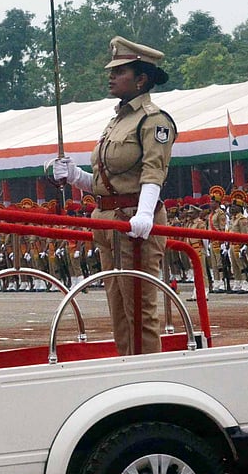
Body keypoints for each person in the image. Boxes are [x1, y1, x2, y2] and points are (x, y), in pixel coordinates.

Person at [51, 36, 176, 355]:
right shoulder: (116, 121)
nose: (111, 76)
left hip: (133, 223)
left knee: (140, 312)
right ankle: (127, 367)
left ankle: (148, 377)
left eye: (119, 71)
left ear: (141, 79)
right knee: (119, 312)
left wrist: (145, 213)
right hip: (107, 223)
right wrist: (76, 176)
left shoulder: (153, 120)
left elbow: (153, 172)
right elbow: (108, 182)